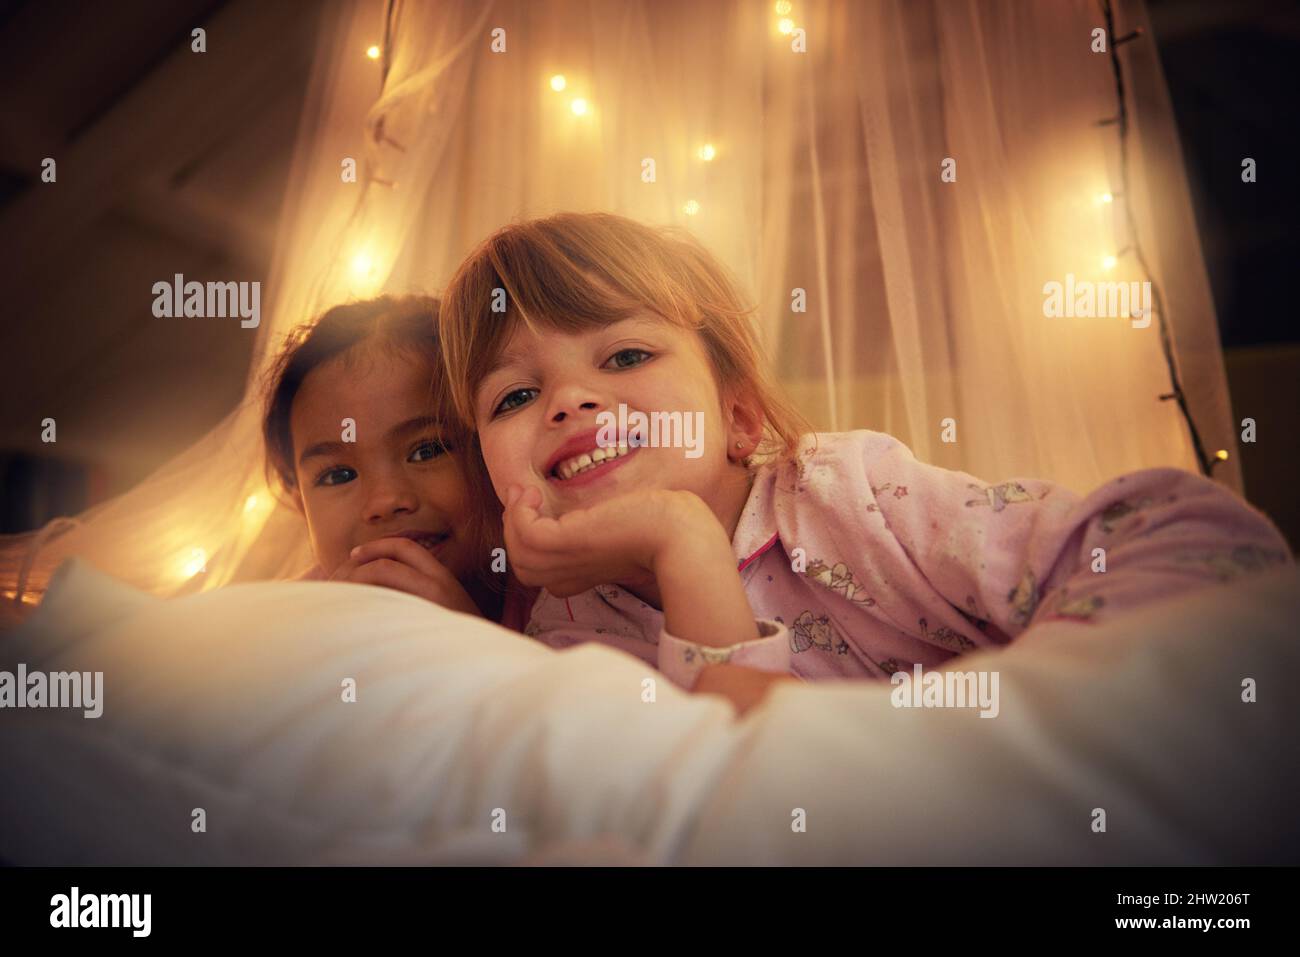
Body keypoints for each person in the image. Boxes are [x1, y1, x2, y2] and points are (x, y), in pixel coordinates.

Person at [435, 212, 1292, 709]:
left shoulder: (845, 494)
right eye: (513, 397)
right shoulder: (563, 639)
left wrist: (1044, 707)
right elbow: (726, 790)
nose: (569, 402)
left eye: (624, 357)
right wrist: (678, 538)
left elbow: (1187, 537)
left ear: (738, 418)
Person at [262, 295, 534, 628]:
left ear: (491, 449)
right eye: (338, 475)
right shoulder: (291, 633)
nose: (384, 502)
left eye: (427, 451)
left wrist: (465, 639)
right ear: (300, 504)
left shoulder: (567, 593)